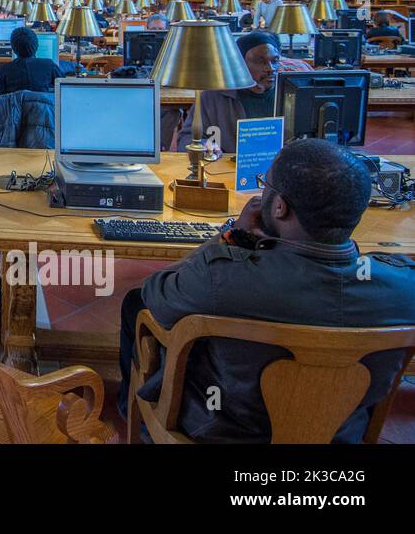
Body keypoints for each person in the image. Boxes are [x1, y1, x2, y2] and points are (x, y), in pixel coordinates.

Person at [117, 139, 415, 443]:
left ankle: (140, 425)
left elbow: (157, 293)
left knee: (137, 303)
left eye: (265, 186)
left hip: (221, 433)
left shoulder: (222, 279)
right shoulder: (406, 289)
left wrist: (231, 235)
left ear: (279, 206)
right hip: (342, 435)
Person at [177, 30, 279, 155]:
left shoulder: (289, 95)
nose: (270, 68)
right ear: (240, 64)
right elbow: (185, 140)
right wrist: (203, 145)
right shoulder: (212, 97)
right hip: (225, 170)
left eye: (275, 61)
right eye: (260, 61)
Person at [0, 26, 62, 96]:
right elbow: (63, 88)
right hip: (44, 107)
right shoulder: (49, 65)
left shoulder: (3, 69)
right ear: (36, 46)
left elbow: (1, 100)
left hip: (14, 107)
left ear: (13, 48)